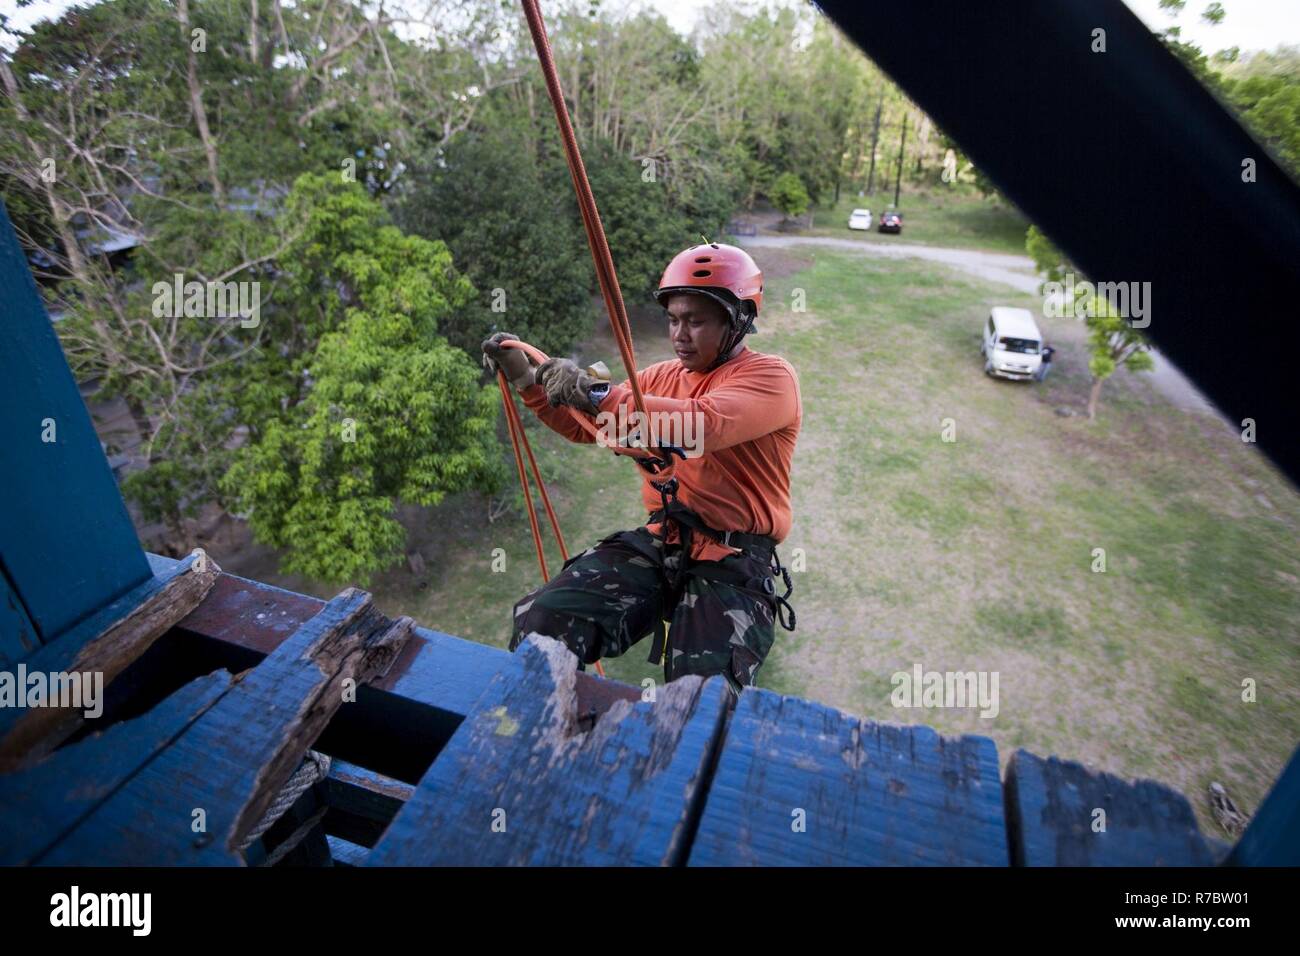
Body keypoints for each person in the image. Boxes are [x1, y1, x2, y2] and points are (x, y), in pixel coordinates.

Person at [481, 242, 801, 697]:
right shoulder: (657, 378)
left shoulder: (771, 378)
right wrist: (528, 383)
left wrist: (595, 393)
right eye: (674, 319)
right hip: (662, 541)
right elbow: (587, 427)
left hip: (733, 560)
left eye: (696, 320)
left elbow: (699, 426)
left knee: (702, 699)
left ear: (739, 320)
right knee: (542, 620)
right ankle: (552, 729)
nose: (680, 334)